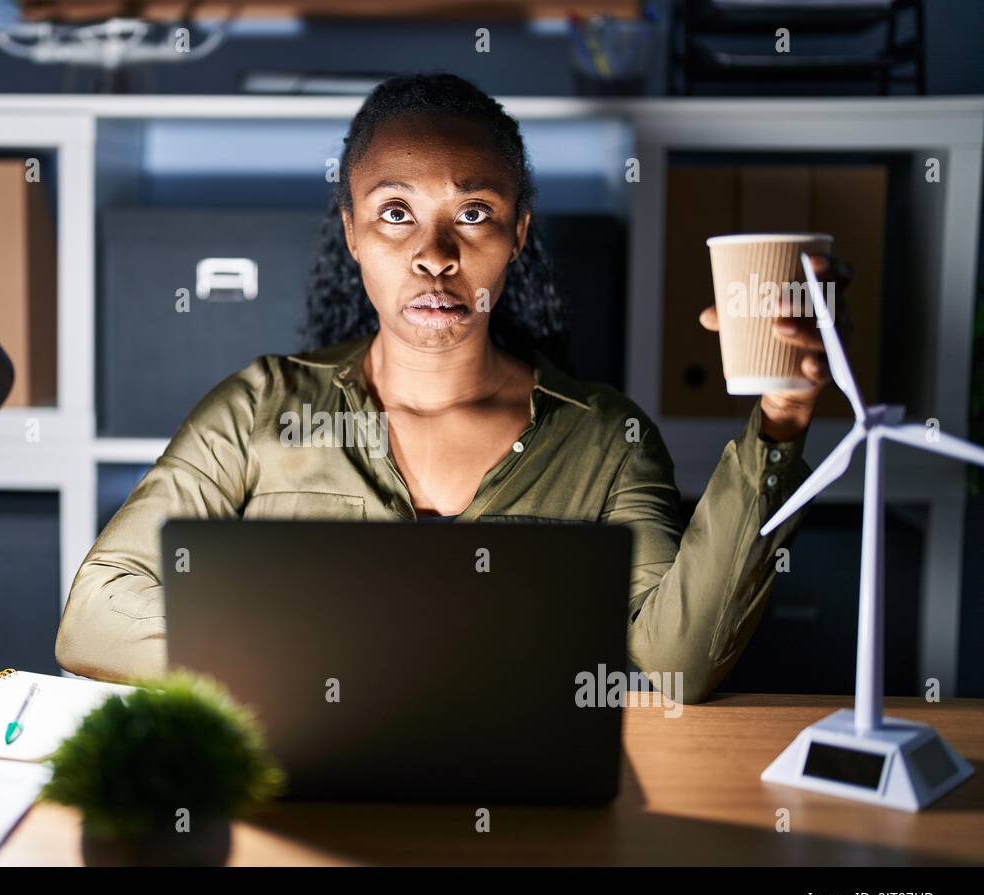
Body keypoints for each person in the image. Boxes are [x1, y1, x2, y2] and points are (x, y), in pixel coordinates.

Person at [56, 73, 849, 703]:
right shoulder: (258, 408)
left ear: (517, 234)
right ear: (352, 233)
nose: (435, 254)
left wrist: (780, 419)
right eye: (395, 212)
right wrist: (314, 658)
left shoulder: (607, 438)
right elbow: (94, 616)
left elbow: (676, 661)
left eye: (473, 212)